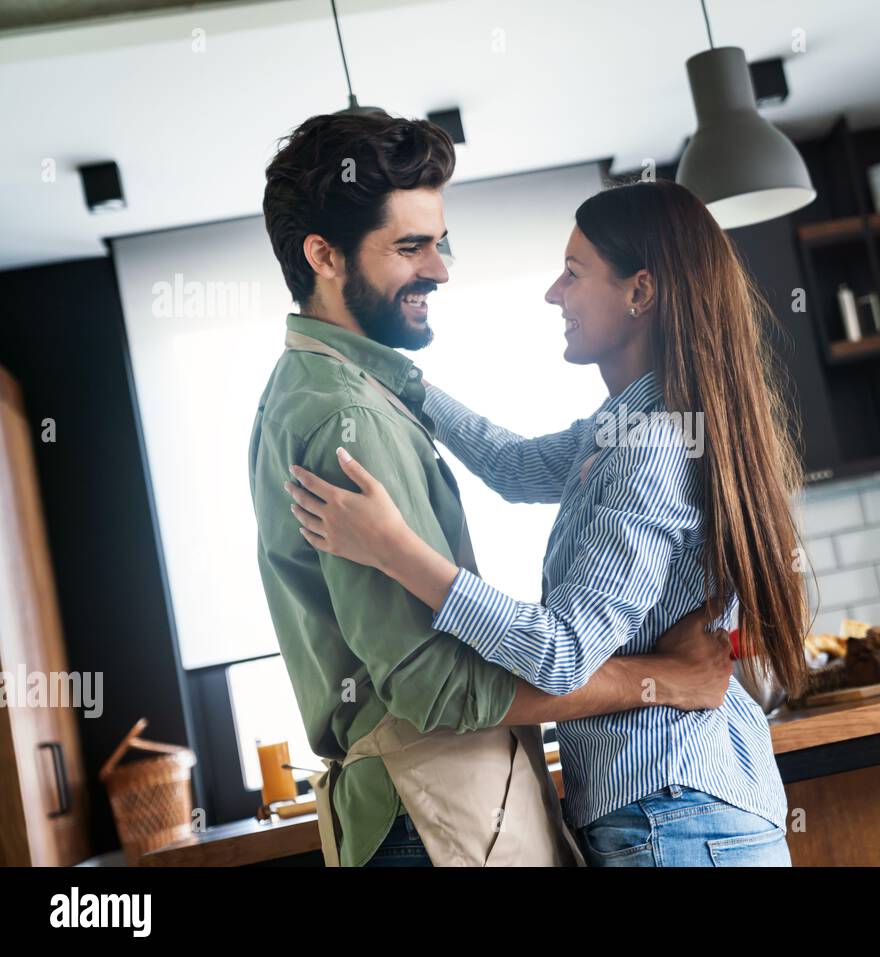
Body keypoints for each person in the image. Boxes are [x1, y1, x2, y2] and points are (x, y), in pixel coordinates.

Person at [250, 112, 732, 868]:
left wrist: (406, 412)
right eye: (412, 246)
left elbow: (525, 496)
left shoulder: (325, 391)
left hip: (576, 801)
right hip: (434, 808)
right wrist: (663, 679)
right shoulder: (349, 415)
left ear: (641, 293)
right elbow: (435, 683)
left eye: (440, 242)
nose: (441, 268)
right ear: (324, 255)